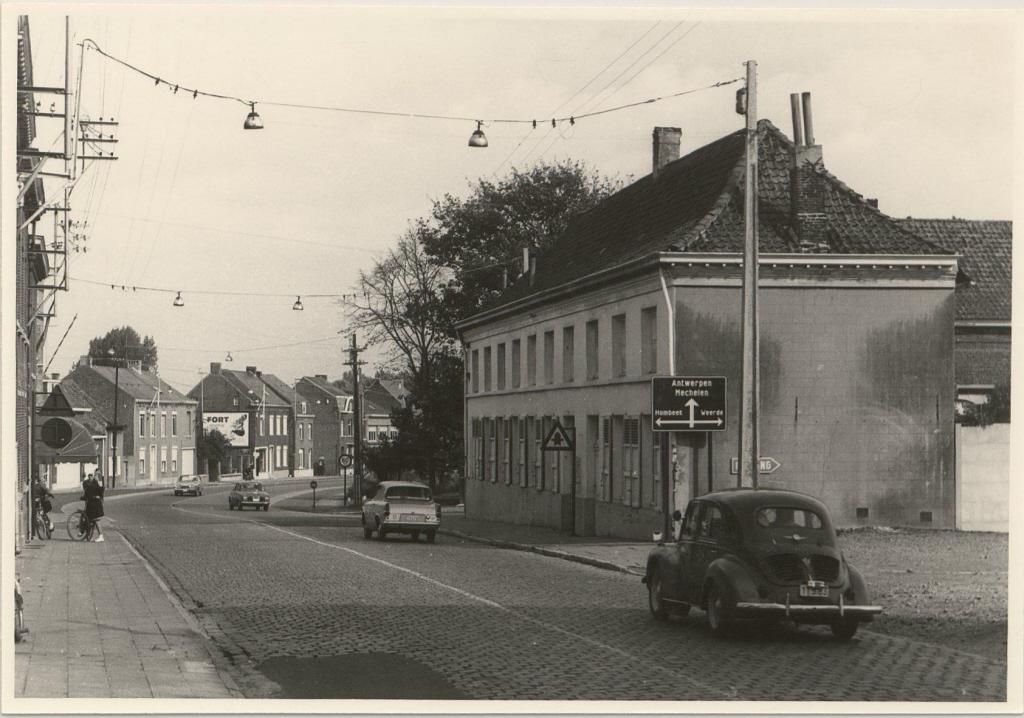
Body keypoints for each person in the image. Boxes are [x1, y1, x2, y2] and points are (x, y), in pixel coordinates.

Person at [81, 472, 105, 542]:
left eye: (94, 476)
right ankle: (89, 536)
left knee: (96, 520)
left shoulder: (93, 485)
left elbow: (88, 494)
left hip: (94, 505)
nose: (92, 477)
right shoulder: (99, 486)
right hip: (96, 504)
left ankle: (101, 536)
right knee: (92, 520)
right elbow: (100, 495)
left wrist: (83, 498)